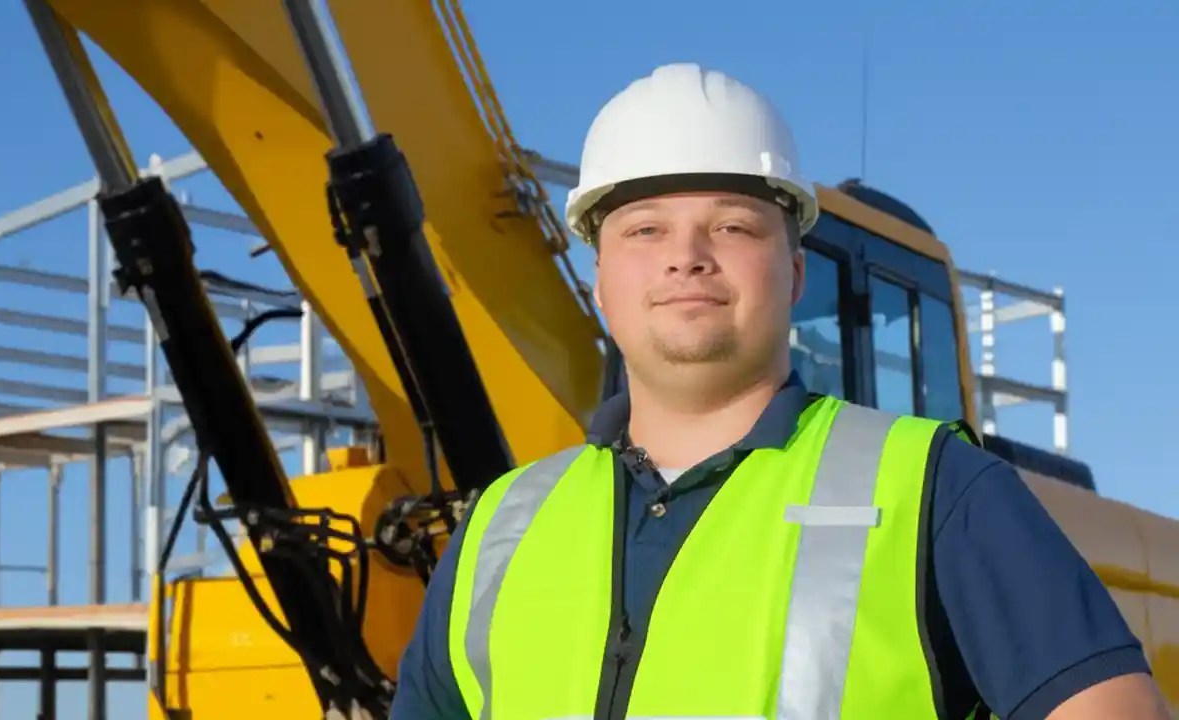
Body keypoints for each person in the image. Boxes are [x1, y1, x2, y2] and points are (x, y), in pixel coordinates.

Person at [389, 63, 1170, 719]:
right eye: (645, 230)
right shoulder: (499, 529)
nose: (687, 257)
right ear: (599, 282)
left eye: (733, 226)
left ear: (795, 272)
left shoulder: (933, 490)